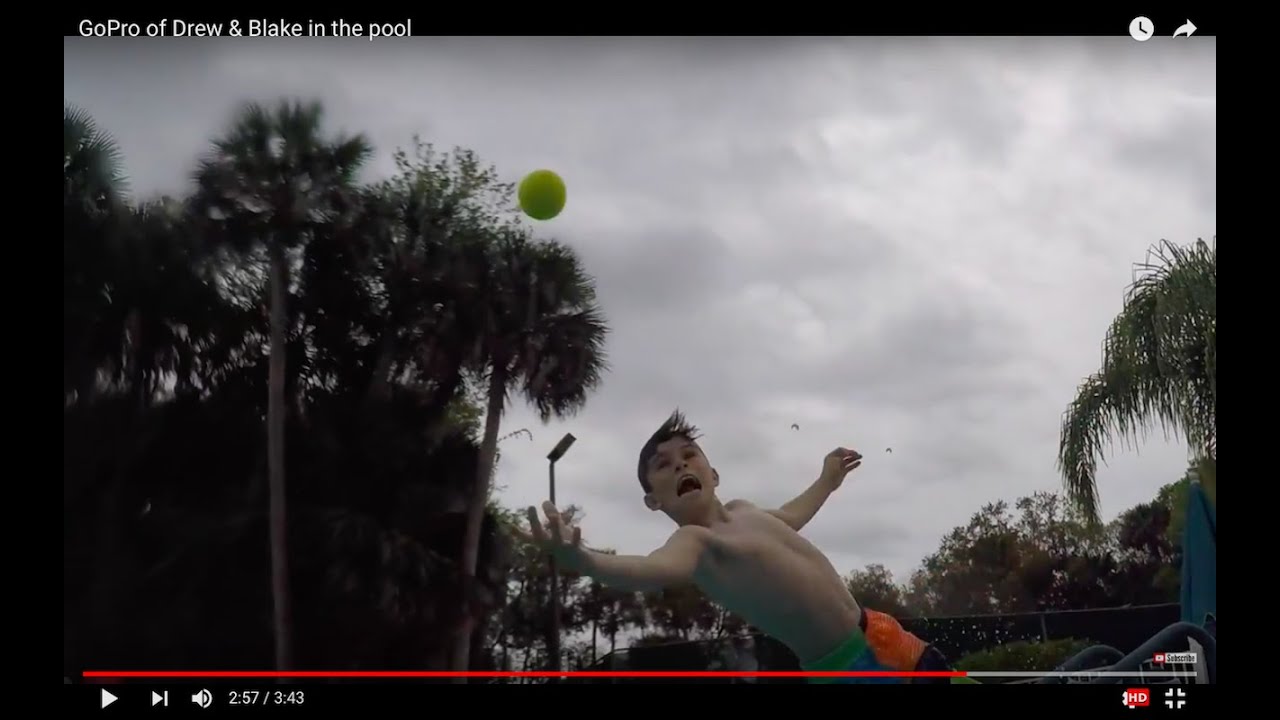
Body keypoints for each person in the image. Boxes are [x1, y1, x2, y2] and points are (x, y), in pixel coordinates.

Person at [521, 410, 952, 684]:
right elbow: (649, 569)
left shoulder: (746, 512)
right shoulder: (695, 543)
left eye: (689, 455)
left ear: (715, 474)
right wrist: (584, 559)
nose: (682, 465)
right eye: (664, 465)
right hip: (846, 667)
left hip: (882, 631)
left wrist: (826, 481)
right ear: (654, 501)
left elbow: (791, 518)